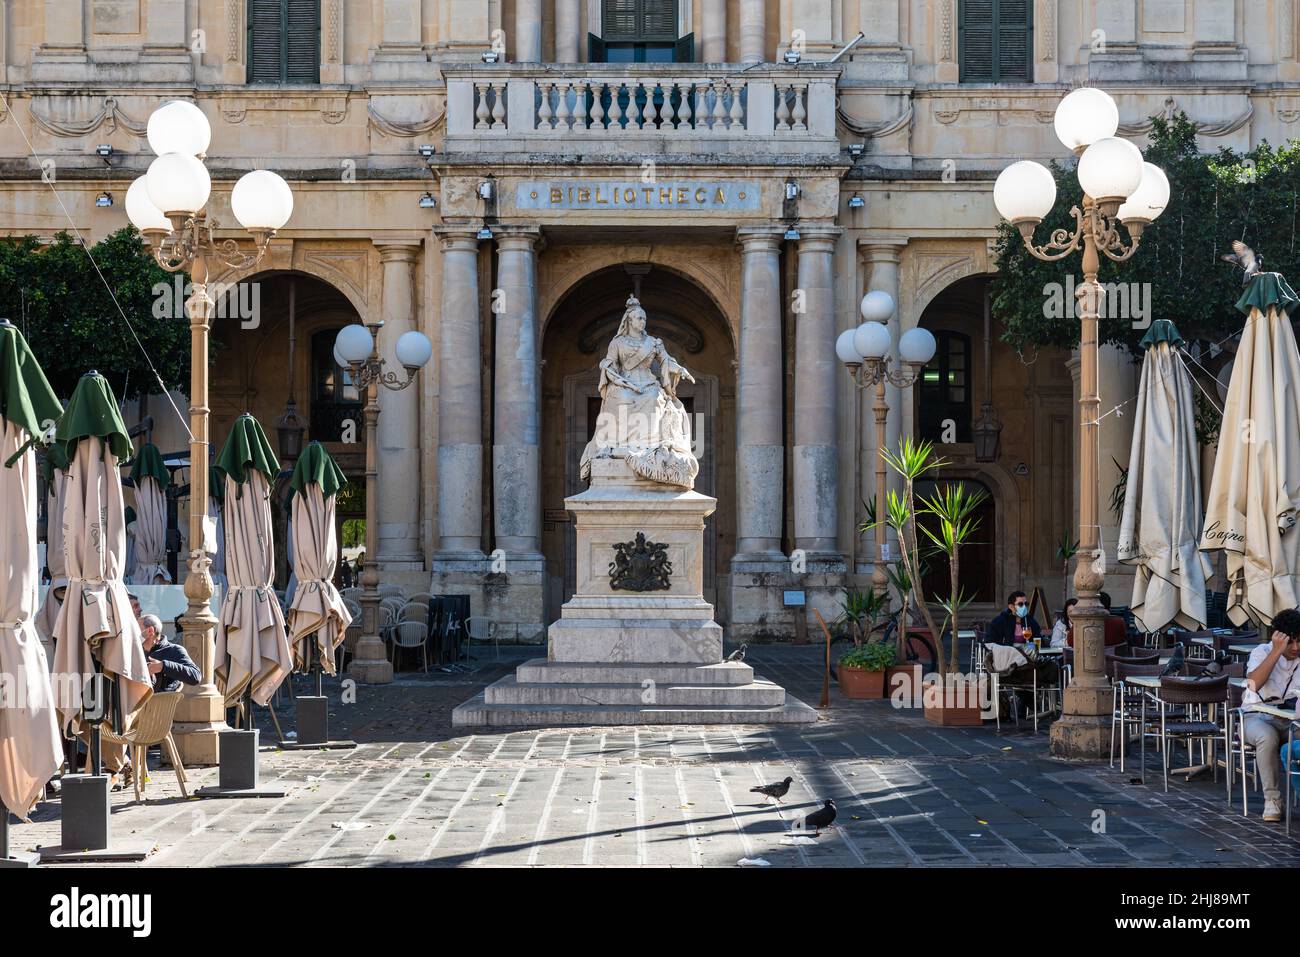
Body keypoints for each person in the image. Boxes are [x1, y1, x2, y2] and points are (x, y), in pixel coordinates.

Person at [1242, 608, 1300, 821]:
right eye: (1291, 642)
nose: (1296, 648)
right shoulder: (1261, 652)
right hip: (1257, 716)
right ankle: (1272, 800)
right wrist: (1276, 651)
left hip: (1293, 720)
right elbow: (1254, 684)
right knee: (1267, 737)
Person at [140, 614, 200, 694]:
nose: (133, 633)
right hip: (136, 701)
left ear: (150, 631)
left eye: (136, 629)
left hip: (161, 703)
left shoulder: (174, 650)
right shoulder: (136, 651)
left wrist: (162, 666)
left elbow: (195, 676)